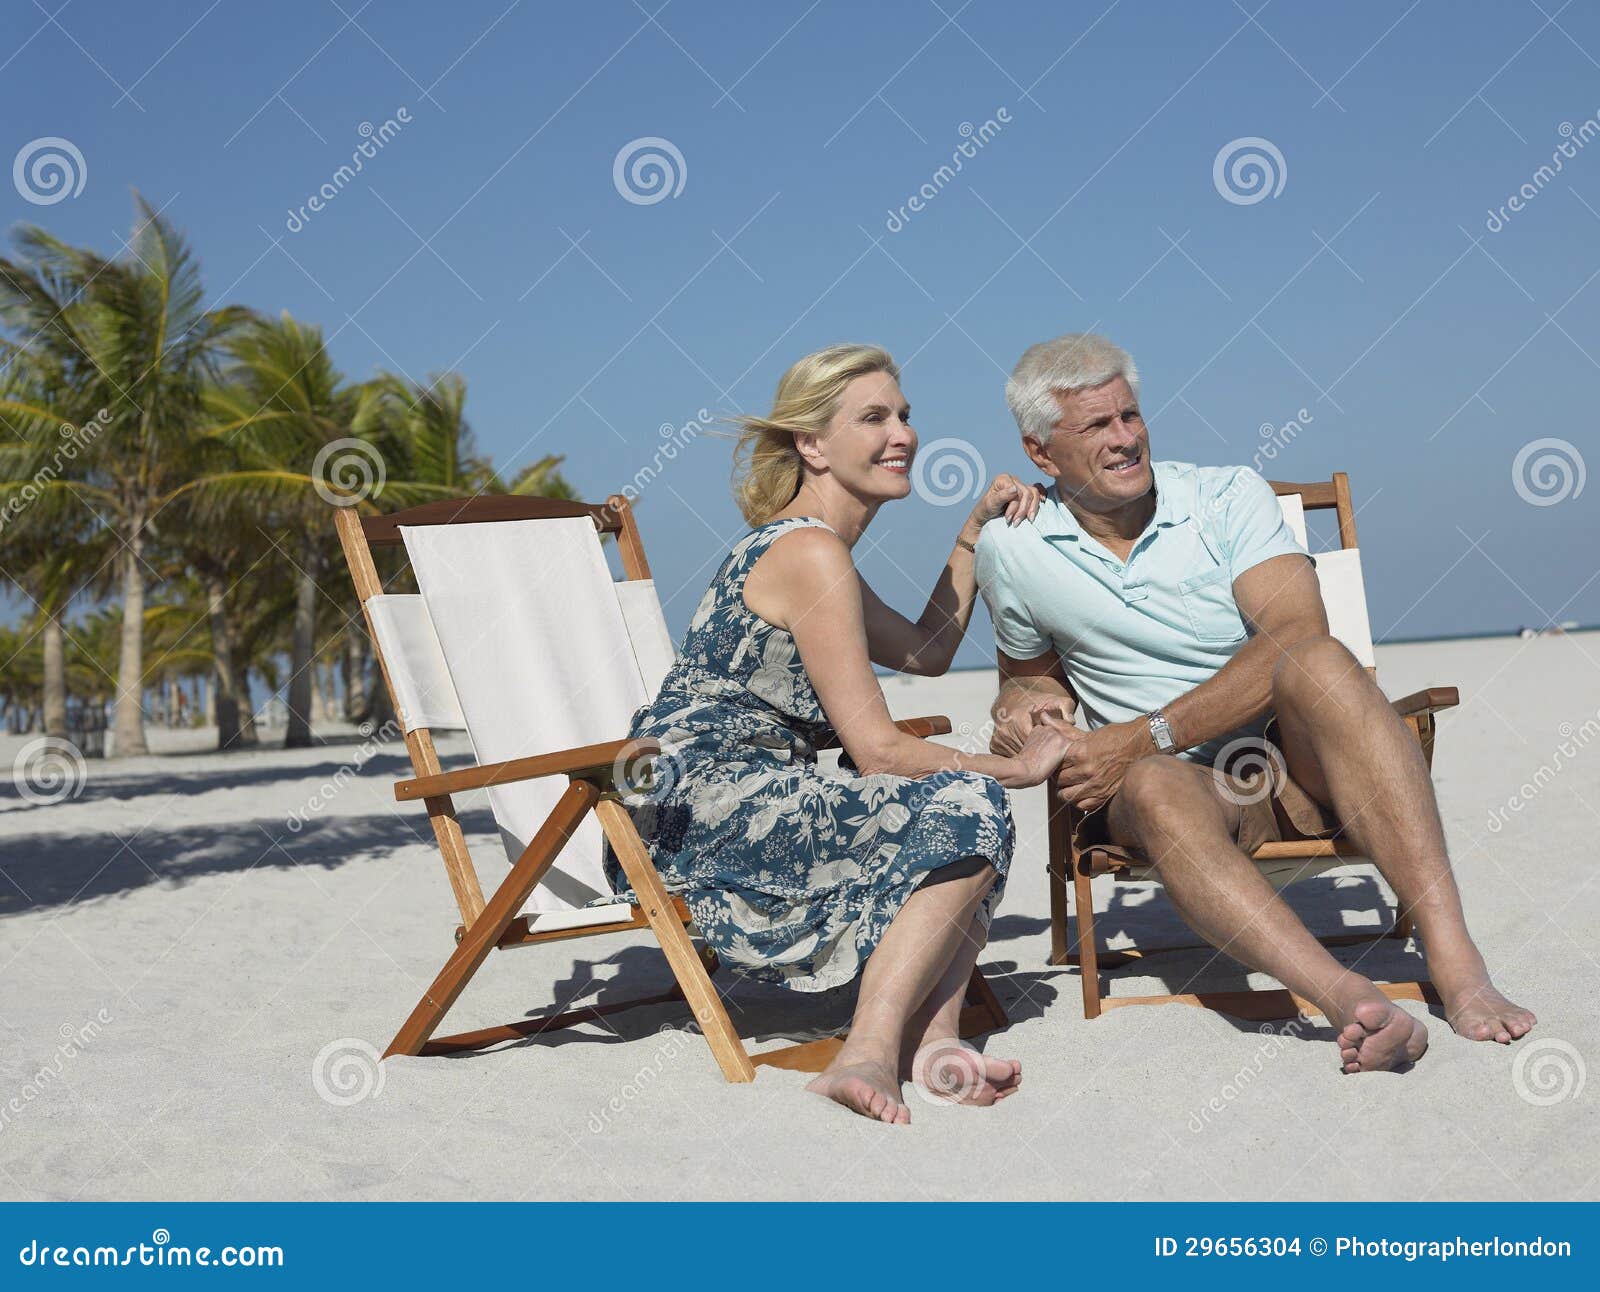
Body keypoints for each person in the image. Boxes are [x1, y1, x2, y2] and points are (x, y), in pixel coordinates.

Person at [978, 332, 1535, 1074]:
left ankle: (1456, 959)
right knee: (1149, 782)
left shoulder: (1224, 495)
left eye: (1130, 416)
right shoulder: (1013, 549)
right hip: (1178, 792)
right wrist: (1029, 709)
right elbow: (1030, 673)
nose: (1125, 439)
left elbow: (1292, 634)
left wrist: (1144, 733)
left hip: (1297, 768)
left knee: (1319, 659)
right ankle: (1345, 997)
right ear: (1042, 453)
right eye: (1097, 426)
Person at [608, 343, 1072, 1123]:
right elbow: (878, 750)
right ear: (812, 445)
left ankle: (932, 1041)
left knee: (964, 801)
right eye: (874, 417)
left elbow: (927, 652)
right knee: (968, 798)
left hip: (742, 791)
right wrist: (1018, 770)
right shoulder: (809, 552)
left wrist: (972, 531)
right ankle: (869, 1053)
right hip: (689, 807)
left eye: (905, 415)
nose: (903, 434)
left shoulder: (820, 555)